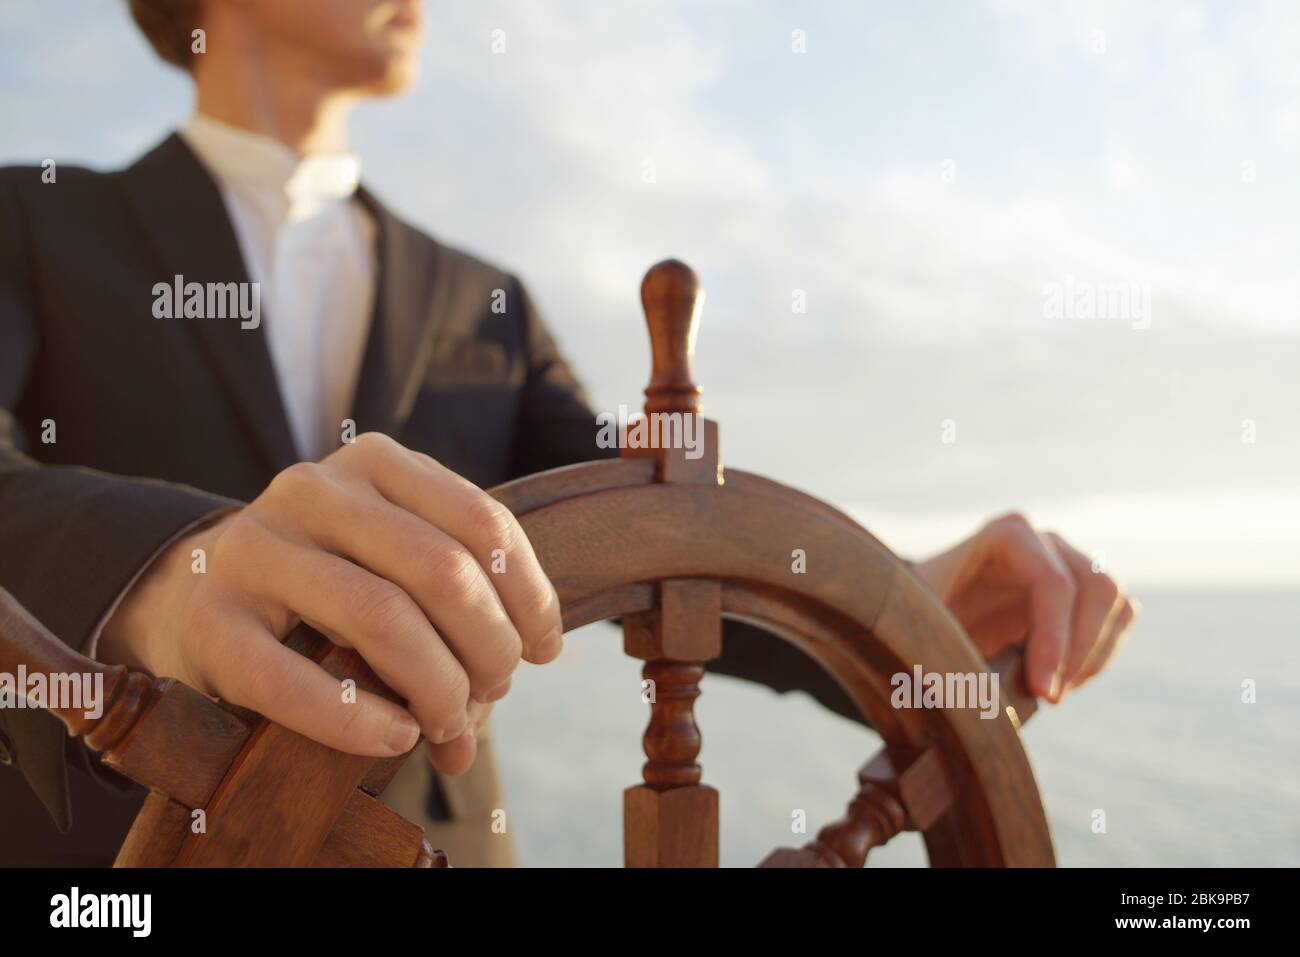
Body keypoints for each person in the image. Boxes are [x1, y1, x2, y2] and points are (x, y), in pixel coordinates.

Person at [0, 0, 1137, 866]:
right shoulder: (28, 218)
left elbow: (641, 535)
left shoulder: (482, 296)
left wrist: (895, 593)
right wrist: (163, 578)